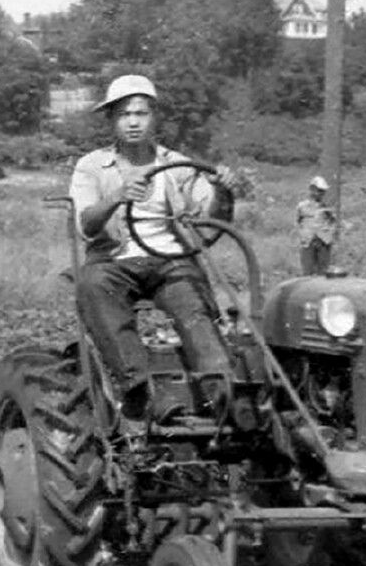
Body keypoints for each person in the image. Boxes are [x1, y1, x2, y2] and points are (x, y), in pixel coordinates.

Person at [68, 74, 247, 436]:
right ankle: (140, 391)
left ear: (155, 118)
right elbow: (86, 223)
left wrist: (223, 191)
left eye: (141, 113)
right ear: (111, 122)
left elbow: (208, 217)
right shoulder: (92, 166)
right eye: (124, 115)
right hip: (115, 260)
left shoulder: (177, 165)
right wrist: (118, 195)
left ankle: (222, 391)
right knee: (94, 286)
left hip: (169, 259)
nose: (133, 122)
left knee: (194, 307)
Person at [296, 176, 337, 275]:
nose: (320, 194)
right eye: (318, 190)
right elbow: (298, 221)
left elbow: (334, 222)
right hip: (308, 241)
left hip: (324, 240)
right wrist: (303, 235)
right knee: (307, 270)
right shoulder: (302, 206)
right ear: (312, 190)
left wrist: (329, 234)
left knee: (323, 271)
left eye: (322, 191)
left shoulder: (327, 206)